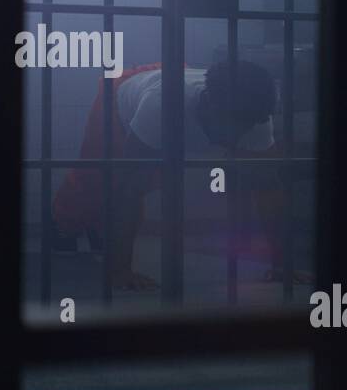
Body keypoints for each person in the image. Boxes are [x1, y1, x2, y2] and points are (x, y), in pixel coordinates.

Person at [52, 60, 280, 290]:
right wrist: (119, 271)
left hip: (170, 82)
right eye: (232, 124)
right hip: (123, 97)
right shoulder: (160, 105)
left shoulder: (255, 118)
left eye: (245, 126)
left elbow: (269, 189)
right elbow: (127, 186)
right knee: (99, 176)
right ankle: (62, 223)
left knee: (146, 178)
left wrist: (282, 266)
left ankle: (98, 224)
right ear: (210, 103)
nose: (238, 135)